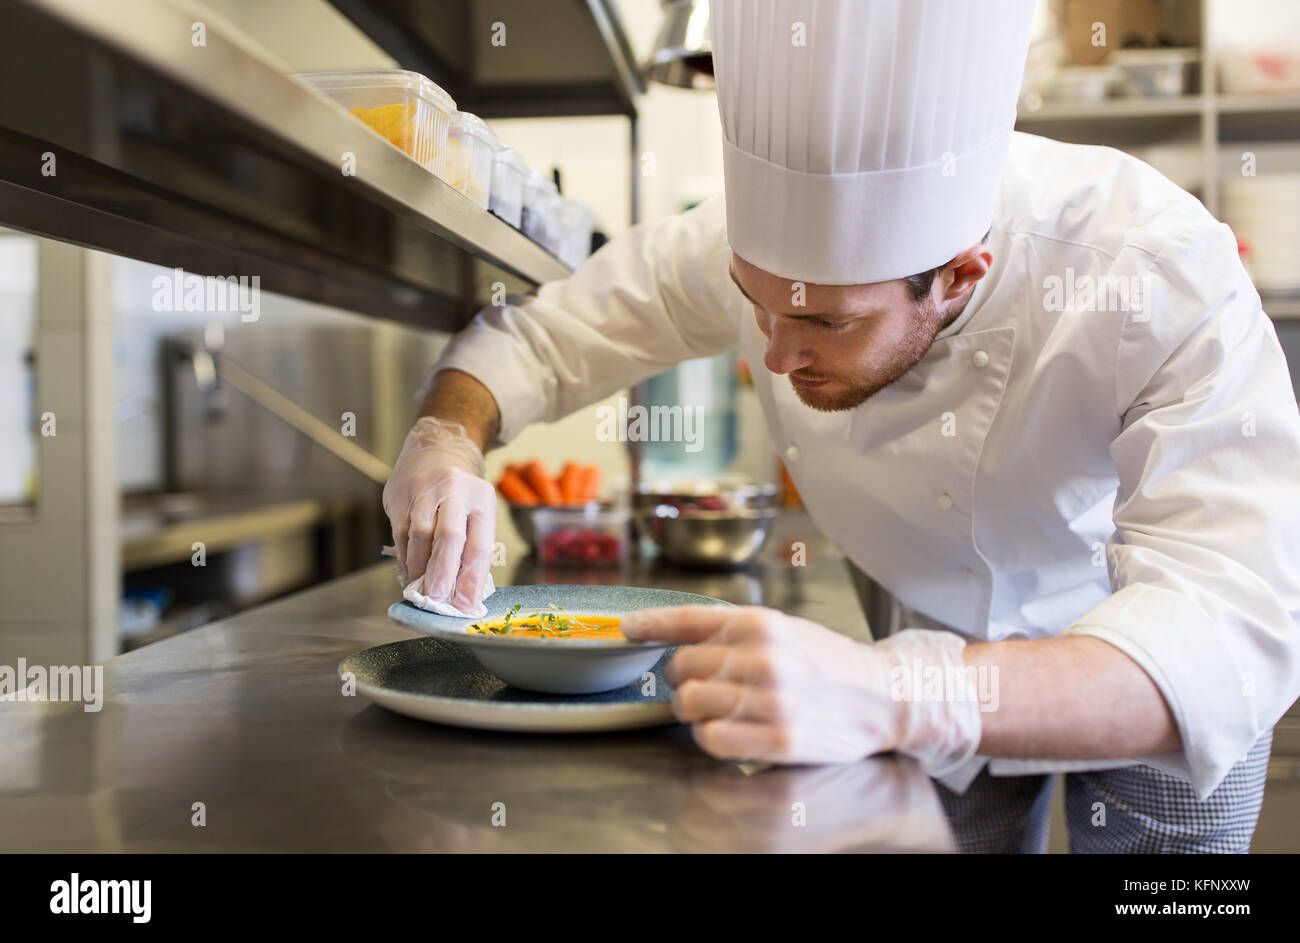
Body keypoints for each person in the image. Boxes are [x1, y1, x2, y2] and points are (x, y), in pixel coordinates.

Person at [382, 0, 1300, 852]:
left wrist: (907, 693)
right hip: (926, 624)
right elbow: (539, 340)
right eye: (756, 305)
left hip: (1133, 665)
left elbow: (1226, 629)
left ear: (960, 275)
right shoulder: (745, 251)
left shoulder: (1153, 270)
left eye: (828, 322)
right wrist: (445, 442)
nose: (774, 357)